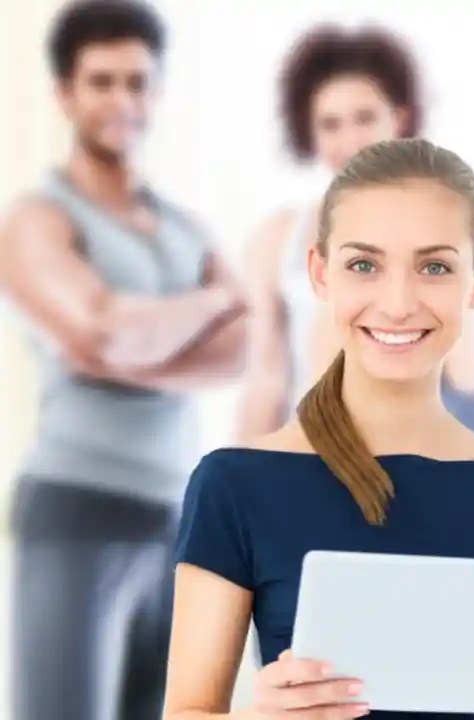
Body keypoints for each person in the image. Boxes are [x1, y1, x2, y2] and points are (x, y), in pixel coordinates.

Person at [161, 138, 474, 720]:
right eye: (365, 265)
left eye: (434, 267)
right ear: (319, 272)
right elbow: (185, 710)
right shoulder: (234, 484)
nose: (398, 303)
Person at [0, 1, 248, 717]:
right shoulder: (39, 218)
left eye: (138, 82)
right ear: (65, 94)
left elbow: (244, 346)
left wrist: (119, 347)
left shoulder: (181, 225)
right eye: (102, 81)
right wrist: (204, 305)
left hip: (177, 518)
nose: (122, 100)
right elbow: (105, 331)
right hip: (77, 506)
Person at [237, 24, 474, 444]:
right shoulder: (277, 238)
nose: (351, 140)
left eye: (365, 118)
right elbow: (266, 379)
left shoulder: (448, 223)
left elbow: (469, 380)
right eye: (331, 124)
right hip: (313, 460)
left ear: (400, 118)